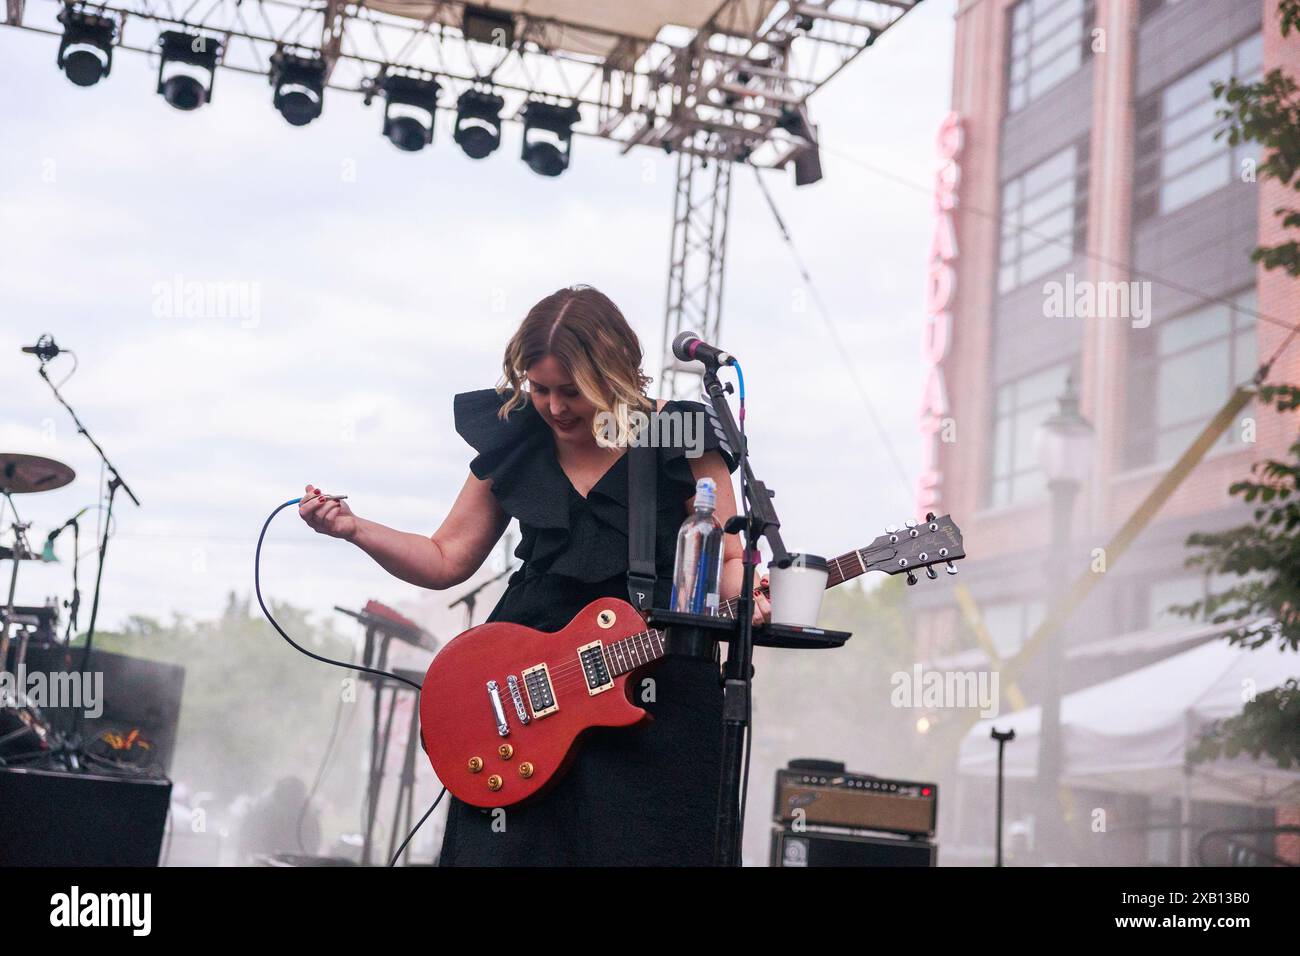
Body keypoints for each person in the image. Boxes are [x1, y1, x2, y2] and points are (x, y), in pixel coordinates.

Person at [299, 283, 769, 865]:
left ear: (617, 374)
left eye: (572, 391)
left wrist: (753, 590)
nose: (554, 407)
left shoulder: (678, 434)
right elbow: (446, 558)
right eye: (540, 388)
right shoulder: (519, 436)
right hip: (522, 698)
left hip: (656, 689)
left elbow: (726, 561)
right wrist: (354, 529)